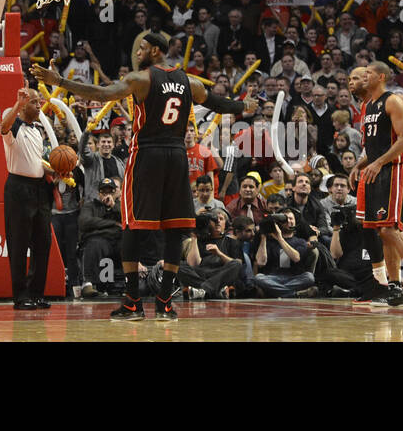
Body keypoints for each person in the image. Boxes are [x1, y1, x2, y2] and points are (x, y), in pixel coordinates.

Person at [35, 32, 256, 321]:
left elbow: (103, 93)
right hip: (176, 156)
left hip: (147, 155)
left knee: (133, 226)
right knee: (175, 229)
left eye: (141, 48)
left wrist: (60, 82)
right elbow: (218, 103)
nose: (137, 53)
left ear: (154, 50)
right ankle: (165, 302)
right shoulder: (189, 82)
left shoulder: (142, 79)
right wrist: (243, 106)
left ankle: (132, 302)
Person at [350, 62, 403, 306]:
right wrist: (360, 165)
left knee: (390, 231)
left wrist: (378, 163)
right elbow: (376, 146)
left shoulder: (393, 100)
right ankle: (395, 287)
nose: (364, 77)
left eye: (368, 74)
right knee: (383, 233)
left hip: (392, 171)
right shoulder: (367, 105)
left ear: (381, 77)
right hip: (376, 170)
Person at [0, 85, 59, 310]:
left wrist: (55, 170)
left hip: (40, 187)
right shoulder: (12, 121)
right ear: (24, 106)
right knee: (18, 244)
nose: (39, 105)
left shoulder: (37, 129)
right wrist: (18, 104)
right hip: (18, 188)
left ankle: (36, 293)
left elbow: (38, 162)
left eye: (39, 101)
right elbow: (3, 127)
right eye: (34, 102)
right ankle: (20, 295)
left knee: (43, 242)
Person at [78, 178, 123, 297]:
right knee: (95, 243)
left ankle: (132, 282)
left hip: (117, 241)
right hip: (99, 240)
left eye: (110, 191)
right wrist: (113, 224)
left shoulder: (121, 206)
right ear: (99, 193)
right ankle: (88, 284)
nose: (107, 194)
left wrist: (114, 206)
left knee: (129, 242)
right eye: (104, 191)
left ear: (115, 192)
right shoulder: (90, 205)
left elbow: (127, 221)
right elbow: (84, 222)